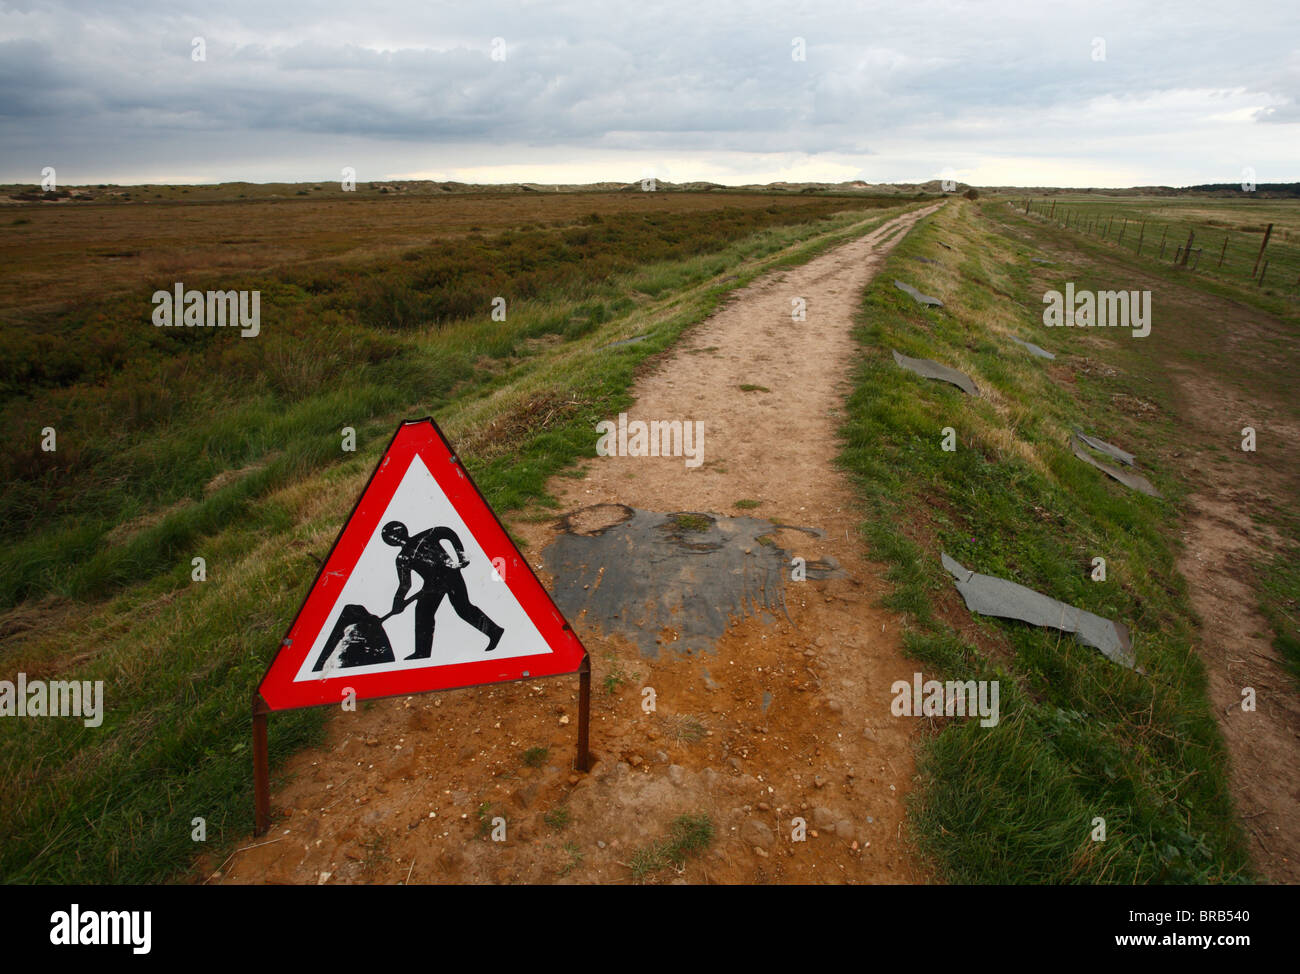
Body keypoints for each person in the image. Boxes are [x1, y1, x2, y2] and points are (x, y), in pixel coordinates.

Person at [381, 520, 504, 659]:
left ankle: (494, 631)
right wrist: (397, 601)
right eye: (390, 537)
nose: (395, 538)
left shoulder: (425, 536)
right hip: (432, 586)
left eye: (395, 534)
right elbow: (405, 584)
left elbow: (448, 532)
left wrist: (462, 555)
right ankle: (422, 653)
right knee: (422, 613)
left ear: (403, 530)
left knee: (463, 609)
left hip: (450, 575)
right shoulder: (402, 558)